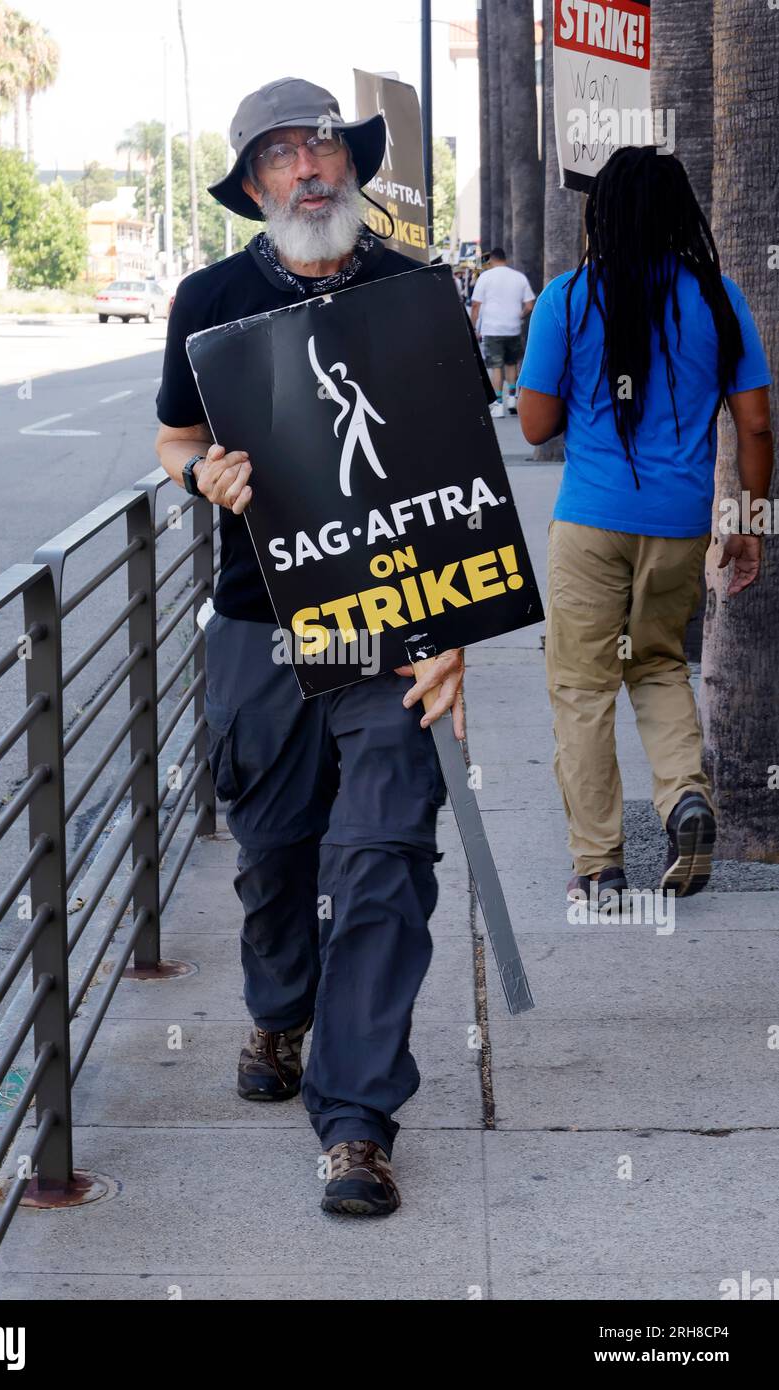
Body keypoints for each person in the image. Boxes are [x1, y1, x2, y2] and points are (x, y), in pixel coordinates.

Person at [154, 77, 468, 1217]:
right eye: (282, 155)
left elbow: (459, 485)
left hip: (390, 627)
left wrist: (456, 642)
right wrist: (201, 476)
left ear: (352, 166)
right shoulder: (210, 298)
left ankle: (355, 1121)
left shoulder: (413, 291)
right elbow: (175, 436)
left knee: (383, 852)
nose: (308, 168)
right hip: (259, 621)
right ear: (251, 185)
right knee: (274, 850)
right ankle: (279, 1009)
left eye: (323, 147)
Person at [517, 146, 773, 904]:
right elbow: (755, 428)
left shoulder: (567, 300)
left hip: (590, 521)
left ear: (601, 215)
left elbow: (533, 425)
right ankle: (683, 800)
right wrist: (748, 522)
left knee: (581, 688)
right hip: (679, 526)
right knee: (657, 665)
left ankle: (599, 863)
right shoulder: (719, 299)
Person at [470, 247, 536, 418]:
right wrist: (519, 316)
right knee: (511, 363)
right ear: (505, 259)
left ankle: (499, 404)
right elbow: (530, 305)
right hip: (512, 328)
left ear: (491, 260)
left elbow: (476, 305)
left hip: (492, 329)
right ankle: (513, 399)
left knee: (496, 367)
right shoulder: (519, 277)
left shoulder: (485, 277)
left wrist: (474, 327)